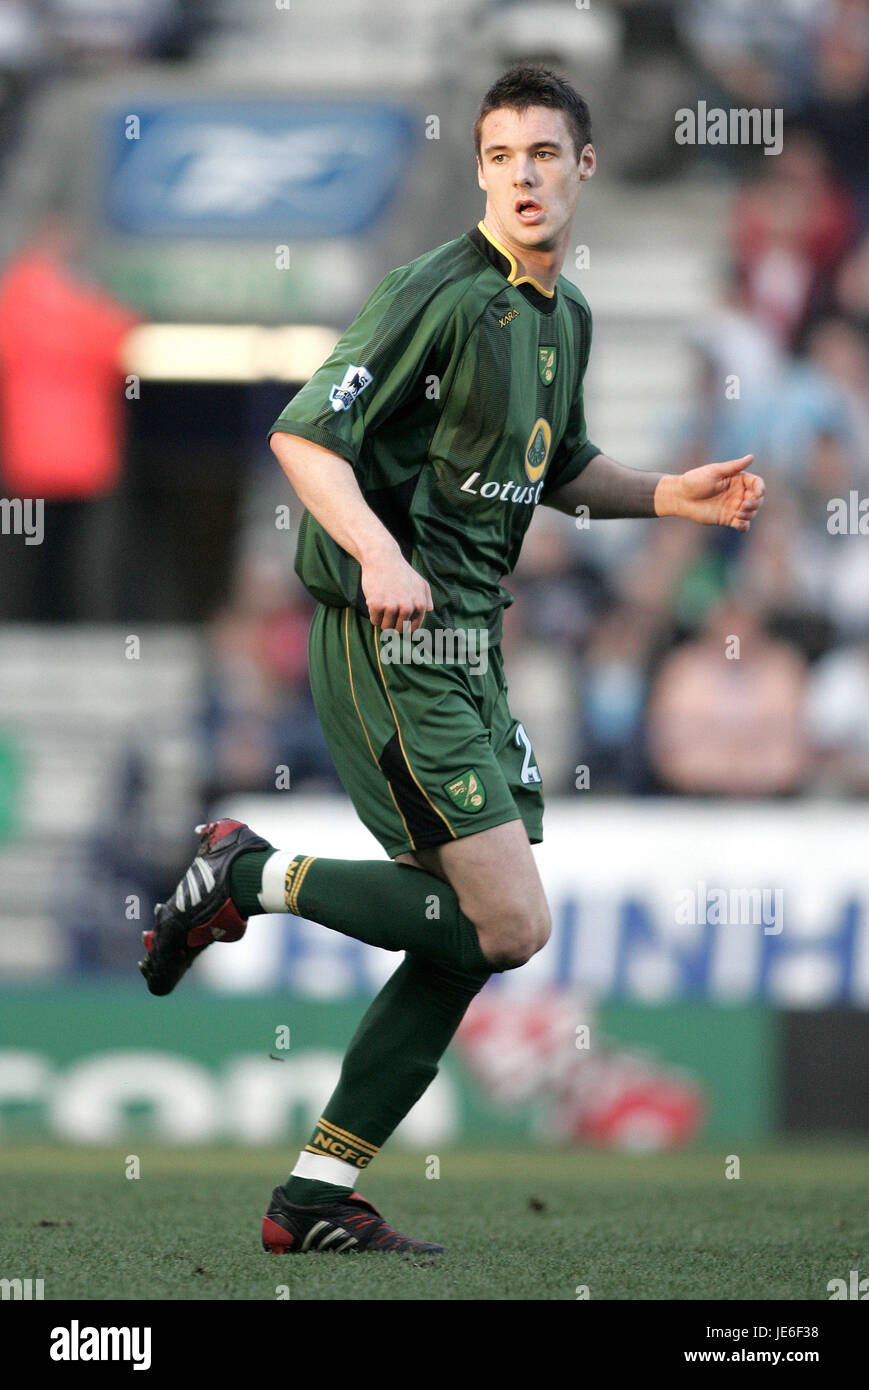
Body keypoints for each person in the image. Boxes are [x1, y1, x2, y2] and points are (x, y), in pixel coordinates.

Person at [139, 65, 765, 1257]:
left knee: (468, 934)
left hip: (470, 649)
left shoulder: (559, 317)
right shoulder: (435, 291)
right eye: (501, 156)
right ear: (478, 171)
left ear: (583, 168)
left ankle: (313, 1197)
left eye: (544, 153)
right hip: (394, 639)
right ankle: (246, 873)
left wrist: (664, 496)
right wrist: (377, 553)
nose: (523, 175)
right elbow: (301, 435)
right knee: (510, 922)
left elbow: (559, 465)